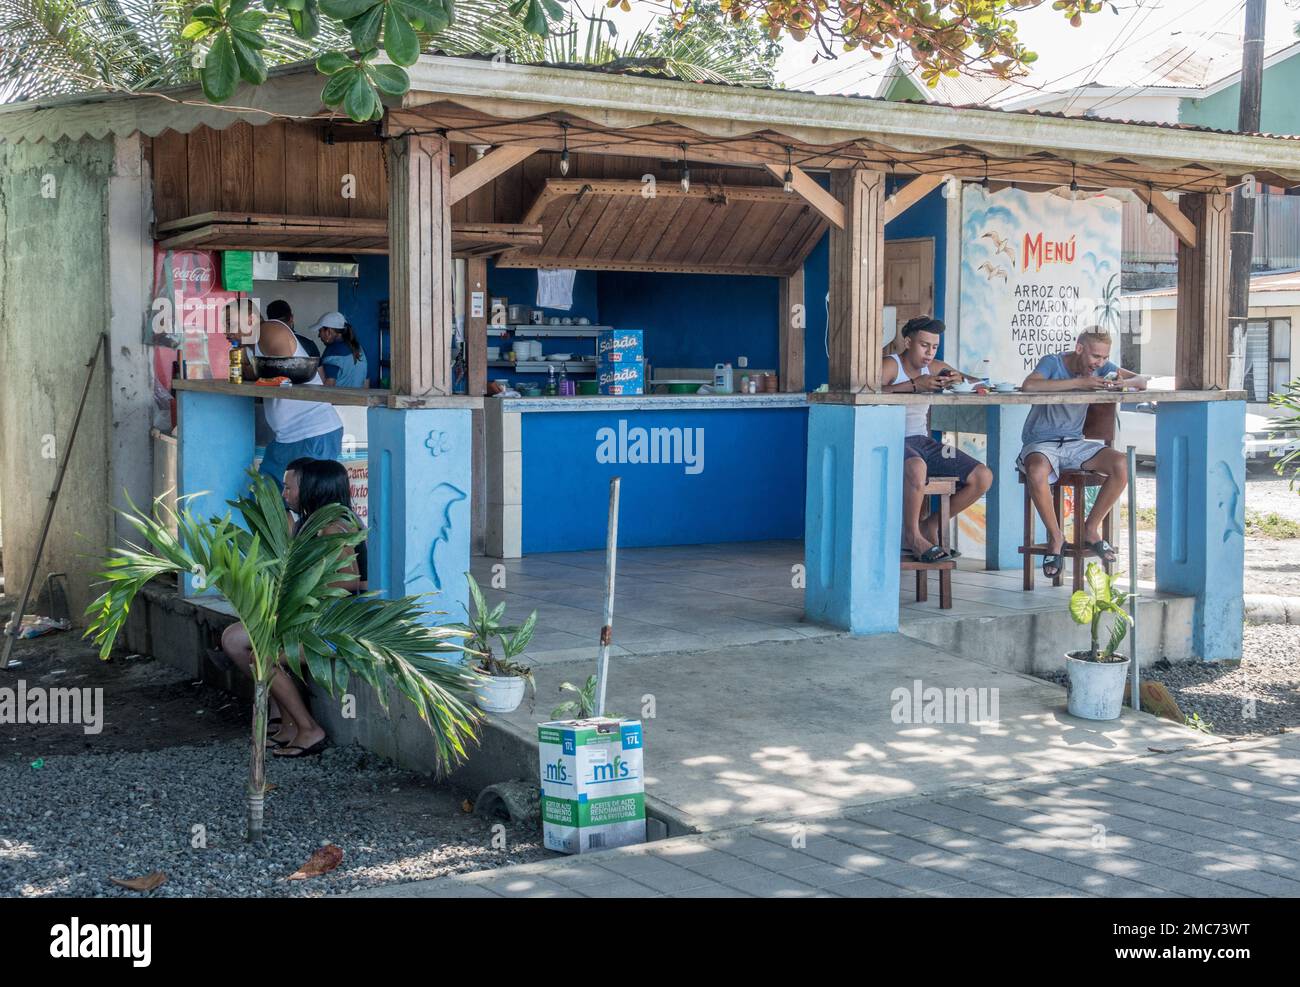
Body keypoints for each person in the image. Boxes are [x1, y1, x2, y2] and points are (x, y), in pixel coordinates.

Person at [221, 458, 368, 758]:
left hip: (333, 626)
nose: (284, 493)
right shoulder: (307, 522)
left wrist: (300, 594)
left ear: (312, 488)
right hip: (308, 619)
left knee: (262, 658)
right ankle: (287, 722)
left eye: (289, 487)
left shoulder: (333, 526)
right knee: (233, 639)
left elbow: (350, 583)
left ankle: (308, 728)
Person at [1018, 328, 1148, 578]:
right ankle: (1056, 538)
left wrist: (1124, 383)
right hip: (1042, 442)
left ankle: (1090, 529)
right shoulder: (1052, 362)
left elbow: (1141, 381)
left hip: (1075, 443)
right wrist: (1081, 383)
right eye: (1095, 357)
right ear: (1079, 349)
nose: (1099, 363)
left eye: (1103, 358)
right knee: (1036, 470)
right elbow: (1029, 385)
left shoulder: (1102, 367)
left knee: (1121, 464)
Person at [881, 315, 993, 562]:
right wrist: (914, 385)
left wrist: (959, 380)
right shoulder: (891, 365)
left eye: (934, 347)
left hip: (923, 443)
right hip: (892, 440)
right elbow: (868, 392)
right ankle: (911, 536)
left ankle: (930, 526)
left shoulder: (934, 366)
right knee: (916, 466)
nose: (930, 352)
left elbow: (980, 384)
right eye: (924, 345)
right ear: (908, 342)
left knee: (982, 476)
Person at [235, 301, 345, 489]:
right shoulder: (250, 346)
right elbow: (259, 374)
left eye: (230, 323)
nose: (224, 331)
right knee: (266, 499)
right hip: (286, 437)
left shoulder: (268, 331)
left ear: (250, 320)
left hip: (311, 431)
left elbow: (285, 375)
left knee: (311, 507)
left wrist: (250, 372)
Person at [311, 311, 370, 388]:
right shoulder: (359, 348)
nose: (319, 335)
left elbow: (329, 386)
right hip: (360, 399)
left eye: (320, 331)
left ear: (329, 331)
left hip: (339, 400)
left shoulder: (332, 351)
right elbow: (366, 383)